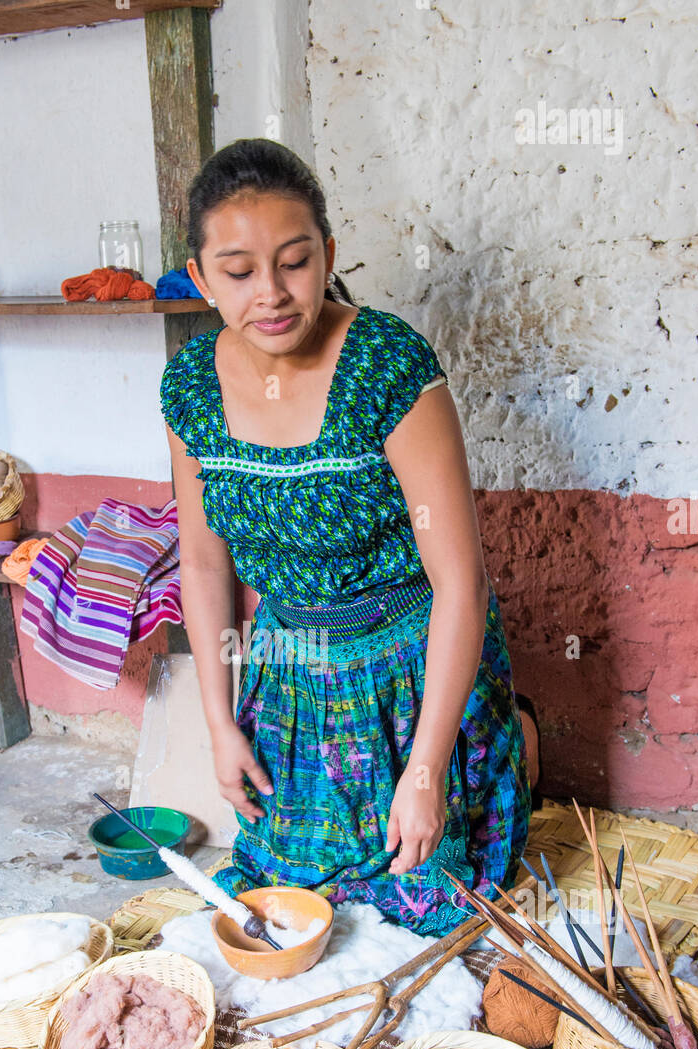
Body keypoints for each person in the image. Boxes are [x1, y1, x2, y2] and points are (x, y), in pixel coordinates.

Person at [161, 138, 532, 936]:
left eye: (295, 262)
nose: (271, 293)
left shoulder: (386, 366)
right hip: (291, 681)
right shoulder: (191, 387)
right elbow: (201, 560)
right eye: (237, 271)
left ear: (327, 253)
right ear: (198, 278)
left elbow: (460, 584)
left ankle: (501, 739)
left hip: (411, 677)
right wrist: (221, 724)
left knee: (429, 903)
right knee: (290, 907)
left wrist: (426, 768)